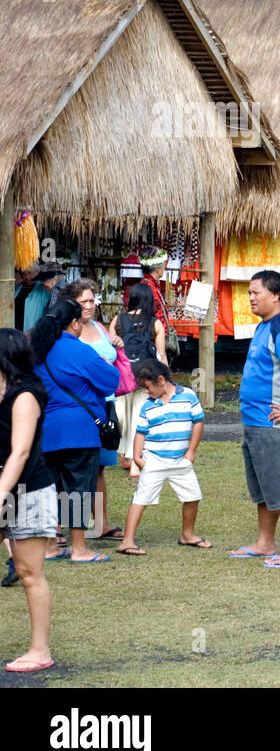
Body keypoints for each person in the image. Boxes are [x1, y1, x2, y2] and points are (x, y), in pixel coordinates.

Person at [228, 270, 280, 568]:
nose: (250, 298)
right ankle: (265, 543)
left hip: (275, 423)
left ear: (275, 295)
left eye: (255, 293)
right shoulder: (264, 326)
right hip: (255, 422)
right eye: (249, 293)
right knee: (264, 485)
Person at [29, 298, 119, 564]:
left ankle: (49, 546)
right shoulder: (79, 350)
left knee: (50, 488)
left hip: (46, 429)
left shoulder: (37, 351)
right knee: (78, 488)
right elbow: (110, 381)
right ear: (74, 323)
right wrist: (104, 362)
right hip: (80, 430)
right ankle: (79, 548)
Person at [0, 329, 57, 671]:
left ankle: (40, 651)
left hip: (28, 491)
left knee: (28, 572)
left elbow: (20, 452)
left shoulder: (25, 395)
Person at [116, 359, 207, 555]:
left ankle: (187, 534)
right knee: (141, 498)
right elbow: (140, 432)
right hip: (154, 461)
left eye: (148, 388)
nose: (147, 392)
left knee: (193, 496)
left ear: (160, 380)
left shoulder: (188, 396)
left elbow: (198, 422)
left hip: (180, 461)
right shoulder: (148, 406)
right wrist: (138, 457)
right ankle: (127, 541)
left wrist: (191, 450)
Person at [65, 280, 124, 541]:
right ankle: (60, 527)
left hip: (106, 405)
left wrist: (117, 345)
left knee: (99, 467)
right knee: (70, 469)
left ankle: (101, 522)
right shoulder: (66, 333)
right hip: (81, 407)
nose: (89, 306)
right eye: (84, 302)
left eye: (92, 300)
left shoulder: (99, 327)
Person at [108, 282, 167, 481]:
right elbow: (161, 355)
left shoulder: (117, 320)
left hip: (121, 378)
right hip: (146, 377)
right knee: (138, 419)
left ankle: (124, 453)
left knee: (121, 416)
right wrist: (165, 380)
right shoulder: (155, 323)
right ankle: (135, 463)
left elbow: (109, 351)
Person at [22, 265, 61, 330]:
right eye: (42, 281)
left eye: (46, 280)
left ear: (54, 278)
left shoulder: (59, 292)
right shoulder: (52, 292)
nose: (44, 284)